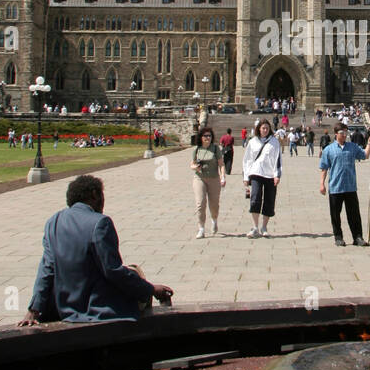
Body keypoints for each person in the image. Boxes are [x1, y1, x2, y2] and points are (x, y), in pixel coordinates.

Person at [22, 175, 172, 325]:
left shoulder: (53, 222)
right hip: (98, 309)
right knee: (137, 278)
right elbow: (113, 271)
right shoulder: (100, 223)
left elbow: (47, 269)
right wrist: (151, 289)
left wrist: (34, 309)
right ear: (95, 195)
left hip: (65, 308)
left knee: (135, 277)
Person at [319, 123, 370, 246]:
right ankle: (338, 237)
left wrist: (369, 143)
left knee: (354, 214)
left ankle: (357, 237)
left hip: (350, 186)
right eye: (342, 133)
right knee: (335, 215)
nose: (344, 135)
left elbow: (365, 155)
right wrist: (322, 184)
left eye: (346, 133)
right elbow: (324, 168)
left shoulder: (352, 147)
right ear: (336, 134)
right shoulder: (329, 149)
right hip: (335, 187)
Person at [242, 120, 282, 237]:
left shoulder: (274, 142)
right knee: (255, 198)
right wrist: (246, 176)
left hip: (270, 174)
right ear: (258, 129)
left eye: (267, 128)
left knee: (269, 200)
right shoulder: (252, 142)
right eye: (263, 128)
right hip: (256, 173)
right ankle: (255, 227)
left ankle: (264, 227)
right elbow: (247, 160)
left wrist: (277, 175)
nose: (265, 130)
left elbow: (277, 159)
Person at [191, 125, 226, 238]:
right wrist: (195, 167)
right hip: (199, 178)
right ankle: (201, 228)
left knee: (214, 204)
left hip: (214, 178)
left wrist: (223, 177)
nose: (208, 138)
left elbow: (221, 164)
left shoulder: (215, 149)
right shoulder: (197, 149)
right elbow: (192, 163)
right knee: (200, 203)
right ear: (201, 137)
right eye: (205, 136)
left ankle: (214, 220)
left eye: (209, 136)